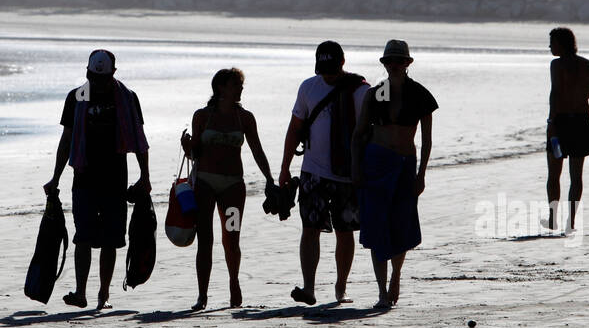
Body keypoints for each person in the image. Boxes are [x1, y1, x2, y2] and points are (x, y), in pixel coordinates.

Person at [45, 49, 150, 311]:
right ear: (87, 72)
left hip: (115, 179)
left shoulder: (127, 98)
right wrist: (55, 176)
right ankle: (81, 292)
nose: (97, 82)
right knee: (83, 236)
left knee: (111, 239)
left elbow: (139, 141)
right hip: (84, 177)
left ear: (113, 74)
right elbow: (67, 139)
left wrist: (145, 175)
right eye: (93, 76)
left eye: (101, 78)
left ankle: (103, 294)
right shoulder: (76, 97)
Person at [279, 41, 368, 306]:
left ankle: (341, 287)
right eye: (323, 69)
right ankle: (309, 287)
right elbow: (295, 128)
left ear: (343, 62)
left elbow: (369, 134)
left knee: (345, 231)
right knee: (309, 228)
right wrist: (284, 167)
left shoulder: (361, 91)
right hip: (313, 172)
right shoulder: (309, 87)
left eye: (331, 68)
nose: (327, 74)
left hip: (347, 174)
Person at [351, 40, 436, 309]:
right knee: (377, 225)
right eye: (389, 61)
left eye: (399, 61)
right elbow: (359, 133)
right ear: (384, 64)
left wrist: (422, 173)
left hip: (405, 164)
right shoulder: (377, 93)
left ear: (408, 63)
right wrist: (355, 167)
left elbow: (427, 139)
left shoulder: (419, 94)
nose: (394, 65)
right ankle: (380, 291)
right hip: (376, 162)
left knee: (402, 223)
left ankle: (396, 277)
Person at [179, 68, 273, 311]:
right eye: (235, 85)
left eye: (240, 85)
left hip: (233, 185)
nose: (240, 89)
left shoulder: (245, 118)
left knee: (232, 238)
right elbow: (194, 154)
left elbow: (257, 150)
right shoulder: (202, 116)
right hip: (205, 184)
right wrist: (187, 146)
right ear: (221, 87)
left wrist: (270, 178)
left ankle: (234, 282)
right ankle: (202, 295)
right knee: (205, 240)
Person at [543, 28, 589, 234]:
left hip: (560, 126)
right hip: (581, 124)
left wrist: (551, 122)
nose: (550, 46)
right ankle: (571, 222)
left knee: (554, 172)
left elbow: (555, 94)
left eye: (552, 42)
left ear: (562, 44)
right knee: (576, 175)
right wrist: (580, 91)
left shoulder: (556, 65)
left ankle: (552, 219)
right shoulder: (586, 65)